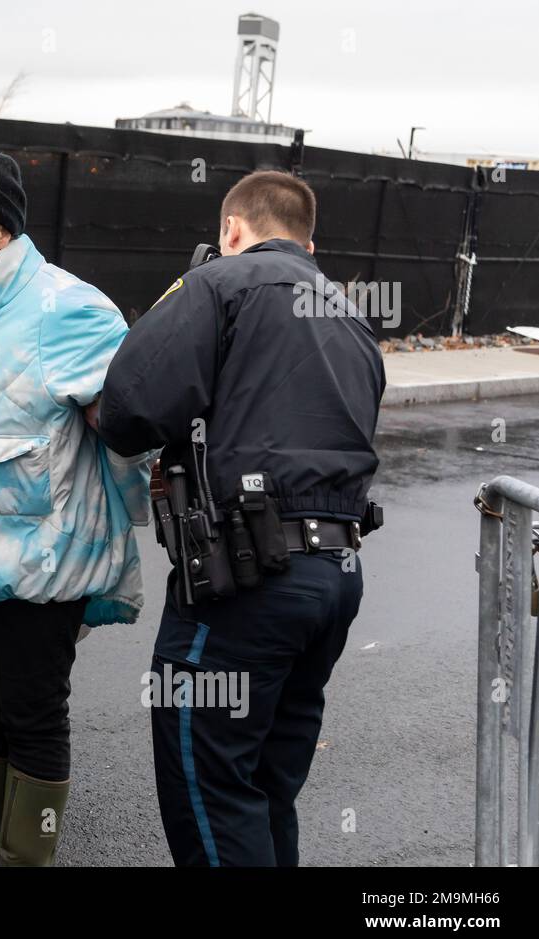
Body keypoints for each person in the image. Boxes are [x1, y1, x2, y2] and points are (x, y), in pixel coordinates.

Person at [90, 170, 385, 866]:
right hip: (334, 581)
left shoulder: (219, 285)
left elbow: (128, 408)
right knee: (265, 794)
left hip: (245, 583)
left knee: (214, 798)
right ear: (309, 240)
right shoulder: (350, 315)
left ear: (232, 231)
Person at [0, 147, 150, 867]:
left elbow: (130, 436)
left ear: (4, 226)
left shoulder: (67, 309)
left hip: (44, 564)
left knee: (32, 719)